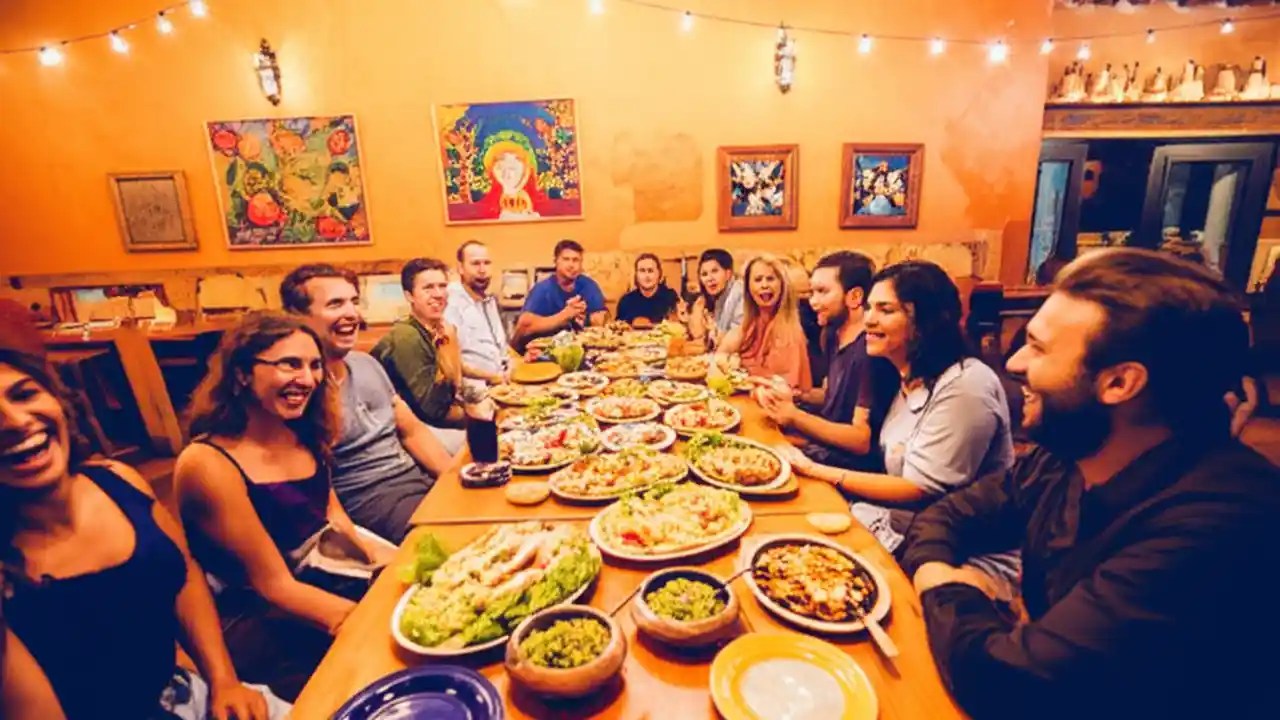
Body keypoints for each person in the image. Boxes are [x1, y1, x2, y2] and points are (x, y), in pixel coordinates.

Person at [902, 249, 1280, 720]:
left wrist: (945, 586)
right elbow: (946, 516)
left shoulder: (1220, 521)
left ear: (1120, 383)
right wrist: (966, 589)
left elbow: (1010, 683)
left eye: (1038, 348)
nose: (1016, 362)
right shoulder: (1065, 458)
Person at [0, 332, 286, 720]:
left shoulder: (118, 479)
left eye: (23, 394)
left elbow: (184, 575)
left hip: (184, 693)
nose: (15, 421)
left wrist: (223, 680)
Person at [174, 311, 393, 701]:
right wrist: (368, 622)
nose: (307, 379)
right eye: (289, 364)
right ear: (241, 374)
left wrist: (391, 570)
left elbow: (337, 522)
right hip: (261, 621)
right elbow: (273, 585)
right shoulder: (207, 463)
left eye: (314, 366)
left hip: (320, 583)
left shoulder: (303, 433)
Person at [778, 261, 1014, 577]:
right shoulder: (904, 372)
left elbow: (919, 488)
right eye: (870, 308)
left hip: (955, 554)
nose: (869, 319)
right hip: (906, 522)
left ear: (925, 321)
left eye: (885, 310)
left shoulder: (965, 386)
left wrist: (819, 471)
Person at [280, 264, 454, 543]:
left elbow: (412, 431)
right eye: (336, 303)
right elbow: (321, 497)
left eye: (354, 301)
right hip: (373, 504)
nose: (352, 313)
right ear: (296, 317)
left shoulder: (365, 363)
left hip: (415, 479)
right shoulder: (297, 390)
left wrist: (454, 479)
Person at [760, 251, 895, 472]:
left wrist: (794, 416)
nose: (813, 302)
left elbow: (861, 440)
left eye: (822, 292)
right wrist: (793, 395)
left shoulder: (871, 352)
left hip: (851, 466)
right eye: (812, 292)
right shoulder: (832, 334)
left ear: (854, 297)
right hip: (824, 445)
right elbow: (832, 396)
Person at [370, 258, 467, 455]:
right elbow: (432, 412)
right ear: (409, 296)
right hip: (410, 436)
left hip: (433, 421)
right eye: (428, 288)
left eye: (442, 286)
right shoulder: (407, 337)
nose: (438, 294)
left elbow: (453, 385)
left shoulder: (438, 329)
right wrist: (482, 414)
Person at [712, 254, 813, 393]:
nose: (764, 285)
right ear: (749, 289)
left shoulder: (792, 333)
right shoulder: (749, 325)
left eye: (770, 279)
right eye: (758, 280)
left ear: (782, 285)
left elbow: (789, 389)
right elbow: (720, 355)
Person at [511, 239, 608, 350]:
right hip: (543, 352)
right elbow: (524, 326)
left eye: (576, 260)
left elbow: (602, 318)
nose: (571, 265)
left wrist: (587, 318)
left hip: (582, 349)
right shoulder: (543, 289)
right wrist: (565, 315)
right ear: (556, 261)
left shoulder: (589, 285)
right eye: (566, 259)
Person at [444, 240, 510, 388]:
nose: (482, 270)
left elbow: (500, 348)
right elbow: (450, 362)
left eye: (486, 263)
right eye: (475, 264)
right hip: (475, 391)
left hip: (502, 384)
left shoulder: (489, 300)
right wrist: (493, 377)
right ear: (460, 268)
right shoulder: (450, 302)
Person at [687, 249, 744, 349]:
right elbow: (698, 334)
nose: (709, 278)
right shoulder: (717, 296)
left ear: (728, 274)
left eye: (715, 271)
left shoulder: (740, 293)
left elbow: (737, 339)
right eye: (704, 274)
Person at [616, 253, 679, 328]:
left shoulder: (670, 297)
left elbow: (675, 326)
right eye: (642, 271)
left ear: (659, 274)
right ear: (636, 275)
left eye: (650, 271)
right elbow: (618, 329)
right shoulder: (626, 301)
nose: (647, 276)